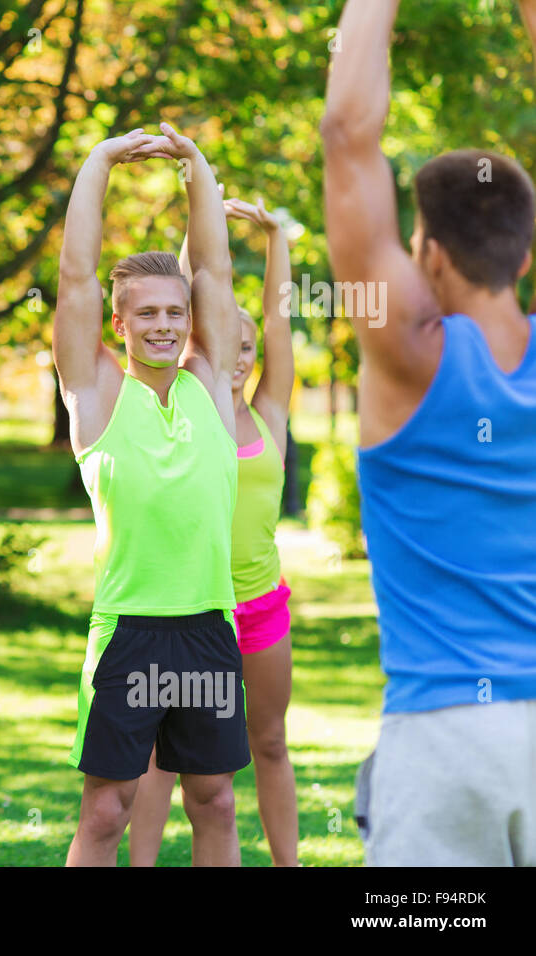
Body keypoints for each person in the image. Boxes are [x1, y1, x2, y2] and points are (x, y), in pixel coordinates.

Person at [322, 0, 536, 865]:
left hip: (443, 739)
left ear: (430, 255)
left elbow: (347, 135)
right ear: (523, 255)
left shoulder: (407, 357)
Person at [54, 123, 248, 867]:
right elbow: (75, 277)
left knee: (217, 802)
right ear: (120, 323)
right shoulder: (97, 395)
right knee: (107, 811)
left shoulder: (210, 387)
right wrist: (100, 160)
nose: (164, 324)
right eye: (147, 313)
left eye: (175, 312)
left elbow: (217, 273)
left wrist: (198, 167)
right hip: (129, 632)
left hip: (208, 626)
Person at [129, 196, 299, 866]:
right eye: (226, 343)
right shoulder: (182, 408)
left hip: (259, 609)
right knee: (161, 758)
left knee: (271, 743)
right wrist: (201, 223)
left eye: (248, 348)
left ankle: (291, 863)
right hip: (189, 609)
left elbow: (280, 320)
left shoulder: (270, 417)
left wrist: (275, 237)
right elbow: (193, 287)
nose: (238, 358)